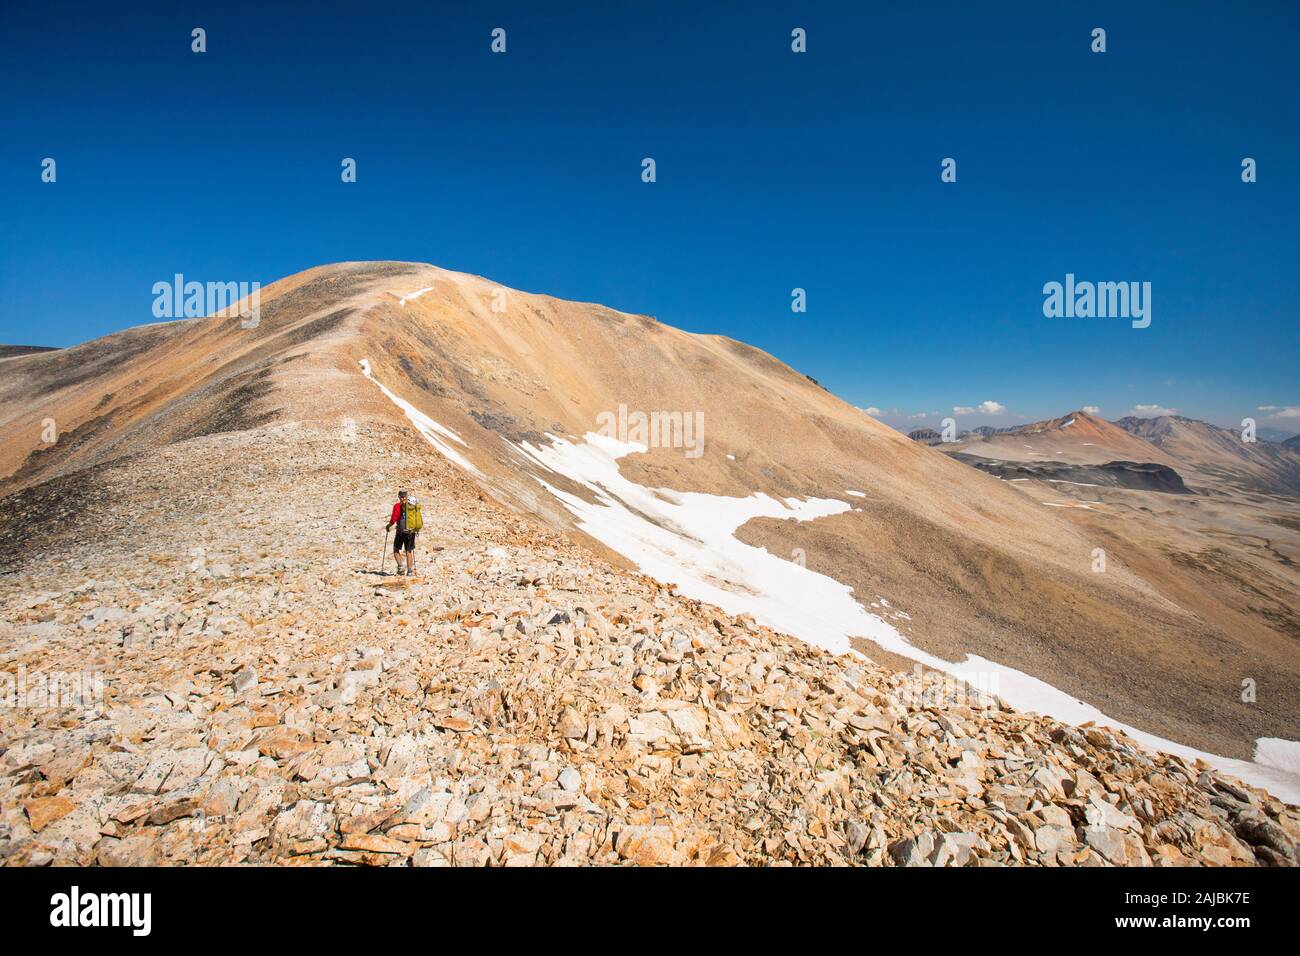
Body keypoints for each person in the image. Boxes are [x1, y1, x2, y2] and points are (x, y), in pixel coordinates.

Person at [386, 489, 419, 576]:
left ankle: (400, 567)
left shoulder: (397, 506)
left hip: (400, 531)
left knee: (396, 549)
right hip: (411, 531)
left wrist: (388, 526)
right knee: (408, 551)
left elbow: (393, 519)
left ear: (399, 497)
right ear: (406, 496)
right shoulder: (412, 506)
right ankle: (410, 571)